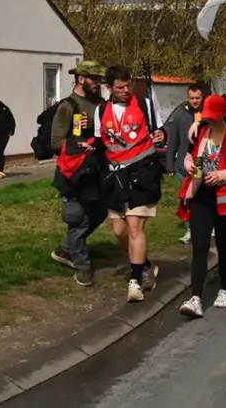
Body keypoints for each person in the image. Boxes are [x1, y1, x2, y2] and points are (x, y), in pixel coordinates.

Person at [96, 65, 165, 302]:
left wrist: (160, 135)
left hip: (141, 171)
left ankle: (134, 281)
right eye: (120, 87)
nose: (126, 91)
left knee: (135, 226)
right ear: (109, 88)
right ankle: (145, 264)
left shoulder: (145, 103)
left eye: (128, 86)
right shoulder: (102, 109)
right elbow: (99, 140)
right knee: (119, 230)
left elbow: (160, 128)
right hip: (115, 174)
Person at [177, 95, 226, 318]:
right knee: (200, 246)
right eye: (208, 118)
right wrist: (189, 166)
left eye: (214, 118)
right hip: (201, 195)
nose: (211, 122)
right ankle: (195, 297)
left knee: (224, 245)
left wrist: (222, 174)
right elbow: (188, 156)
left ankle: (225, 288)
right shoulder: (199, 131)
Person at [49, 61, 106, 286]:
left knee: (100, 211)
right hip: (72, 173)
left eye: (100, 79)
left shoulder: (100, 104)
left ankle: (64, 249)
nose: (99, 83)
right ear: (81, 79)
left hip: (93, 171)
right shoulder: (68, 106)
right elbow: (55, 142)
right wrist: (77, 137)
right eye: (95, 78)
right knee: (78, 219)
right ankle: (82, 266)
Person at [166, 85, 205, 244]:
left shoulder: (208, 114)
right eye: (192, 98)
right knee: (187, 199)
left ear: (202, 97)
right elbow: (173, 141)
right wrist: (170, 165)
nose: (195, 101)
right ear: (188, 97)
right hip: (183, 165)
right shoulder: (180, 115)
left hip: (203, 165)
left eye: (198, 98)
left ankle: (206, 227)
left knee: (202, 198)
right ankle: (190, 229)